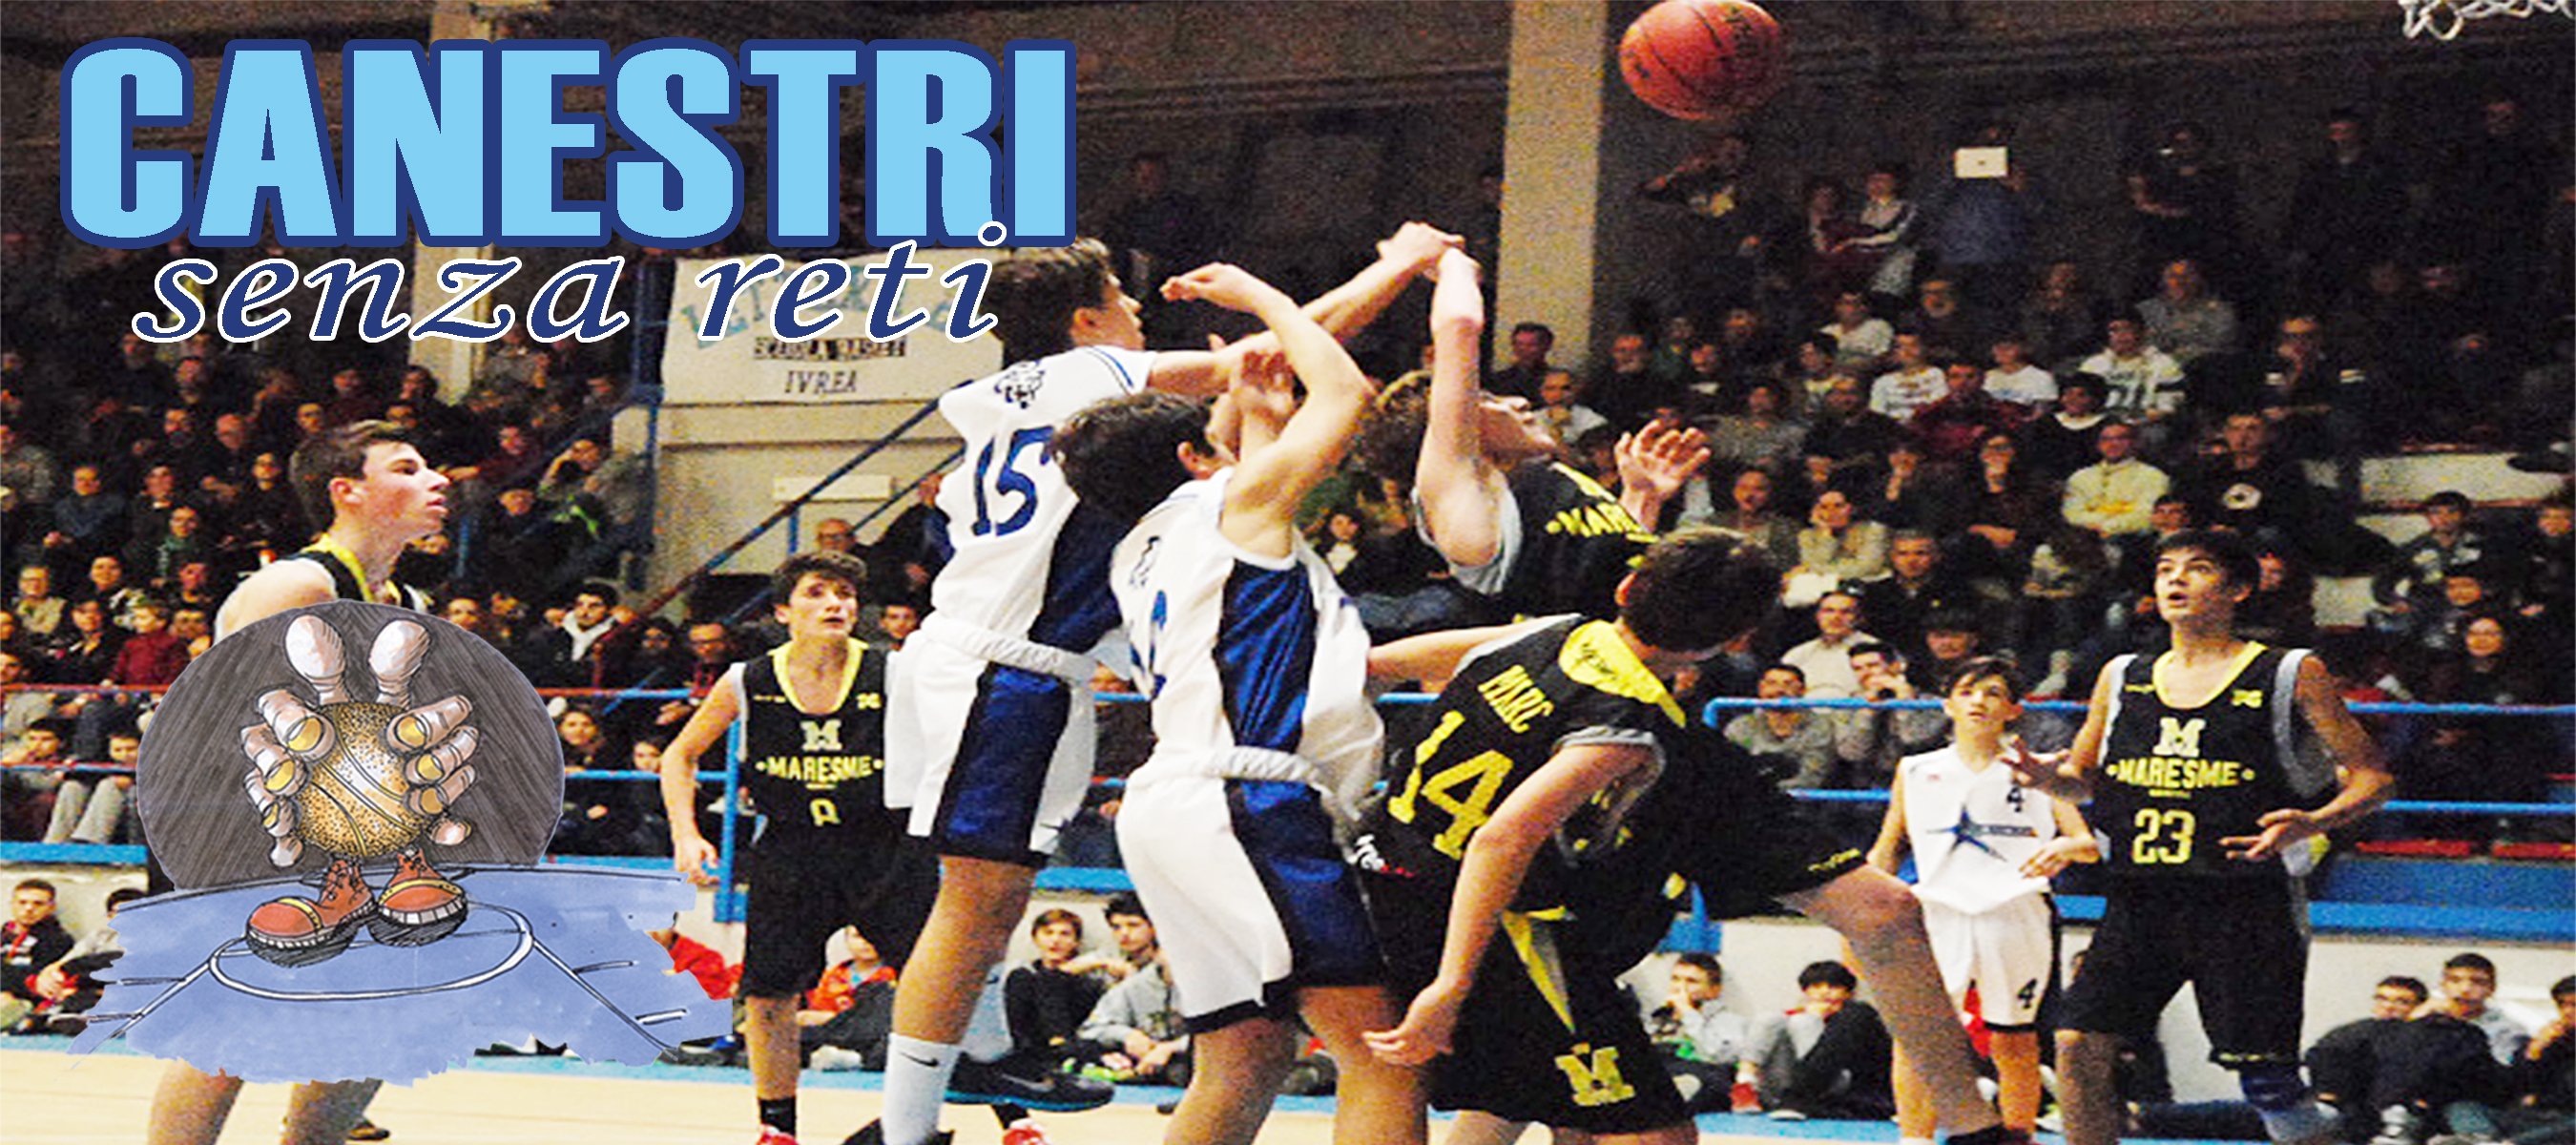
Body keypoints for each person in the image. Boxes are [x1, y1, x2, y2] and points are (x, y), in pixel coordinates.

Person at [865, 224, 1457, 1145]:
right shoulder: (1084, 377)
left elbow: (1252, 393)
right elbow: (1283, 355)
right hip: (1011, 667)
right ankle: (908, 1127)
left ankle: (964, 1063)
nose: (1141, 313)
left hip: (1022, 669)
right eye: (1125, 300)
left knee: (1227, 1037)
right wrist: (1397, 265)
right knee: (977, 901)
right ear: (1085, 321)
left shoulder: (1020, 405)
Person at [1359, 529, 2013, 1145]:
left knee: (1536, 1105)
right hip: (1486, 916)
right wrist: (1450, 984)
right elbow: (1502, 840)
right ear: (1737, 642)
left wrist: (1359, 672)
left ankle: (1968, 1121)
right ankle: (1967, 1118)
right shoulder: (1628, 729)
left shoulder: (1558, 632)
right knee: (1642, 1129)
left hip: (1403, 864)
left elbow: (1420, 655)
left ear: (1624, 591)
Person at [1054, 254, 1435, 1145]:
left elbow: (1254, 536)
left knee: (1248, 1052)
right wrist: (1263, 294)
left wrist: (1258, 421)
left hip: (1177, 803)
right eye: (1217, 438)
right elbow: (1342, 397)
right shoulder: (1225, 505)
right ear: (1195, 461)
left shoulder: (1142, 546)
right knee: (1381, 1050)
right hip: (1247, 800)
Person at [2004, 528, 2397, 1145]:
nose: (2175, 579)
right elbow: (2084, 780)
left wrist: (2314, 821)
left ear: (2239, 589)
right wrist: (2044, 779)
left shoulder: (2289, 672)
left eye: (2198, 568)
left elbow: (2374, 778)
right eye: (2165, 569)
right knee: (2077, 1042)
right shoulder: (2121, 673)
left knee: (2268, 1085)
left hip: (2244, 901)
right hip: (2140, 896)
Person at [156, 420, 454, 1145]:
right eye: (408, 468)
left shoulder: (407, 601)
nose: (437, 479)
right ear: (345, 492)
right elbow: (213, 714)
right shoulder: (298, 582)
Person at [657, 550, 940, 1145]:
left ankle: (1009, 1116)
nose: (836, 603)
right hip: (792, 848)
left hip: (884, 846)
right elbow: (679, 755)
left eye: (845, 594)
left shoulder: (894, 670)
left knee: (940, 980)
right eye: (817, 593)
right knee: (766, 995)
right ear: (784, 611)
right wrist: (687, 833)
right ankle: (777, 1129)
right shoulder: (748, 679)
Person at [1868, 658, 2098, 1145]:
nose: (1979, 701)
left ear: (2013, 709)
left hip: (2016, 911)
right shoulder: (1916, 769)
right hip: (1936, 912)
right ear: (1947, 703)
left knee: (2013, 1038)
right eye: (1968, 691)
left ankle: (2018, 1137)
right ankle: (1914, 1139)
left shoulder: (2041, 770)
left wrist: (2065, 845)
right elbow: (1888, 847)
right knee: (1918, 1035)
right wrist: (1863, 917)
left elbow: (2088, 843)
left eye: (1993, 693)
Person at [1739, 960, 1898, 1120]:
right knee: (1770, 1018)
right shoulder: (1791, 1015)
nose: (1824, 992)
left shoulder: (1855, 1018)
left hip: (1832, 1084)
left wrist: (1815, 1018)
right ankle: (1744, 1083)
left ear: (1848, 993)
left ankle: (1799, 1097)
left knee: (1803, 1022)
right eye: (1816, 987)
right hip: (1781, 1084)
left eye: (1833, 987)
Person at [1003, 910, 1118, 1069]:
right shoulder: (1022, 975)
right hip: (1030, 1047)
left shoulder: (1088, 983)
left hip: (1074, 1043)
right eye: (1048, 933)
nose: (1055, 940)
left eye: (1065, 934)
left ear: (1076, 942)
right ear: (1035, 938)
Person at [1645, 953, 1748, 1111]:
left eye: (1691, 981)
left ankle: (1673, 1094)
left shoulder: (1728, 1020)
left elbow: (1718, 1056)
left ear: (1713, 990)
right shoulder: (1658, 1018)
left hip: (1703, 1076)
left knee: (1708, 1077)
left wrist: (1688, 1013)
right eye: (1675, 979)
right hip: (1663, 1070)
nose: (1680, 987)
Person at [0, 879, 74, 1033]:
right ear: (12, 904)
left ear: (51, 907)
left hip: (23, 1001)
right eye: (22, 902)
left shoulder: (58, 941)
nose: (28, 909)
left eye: (38, 904)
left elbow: (40, 979)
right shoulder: (4, 934)